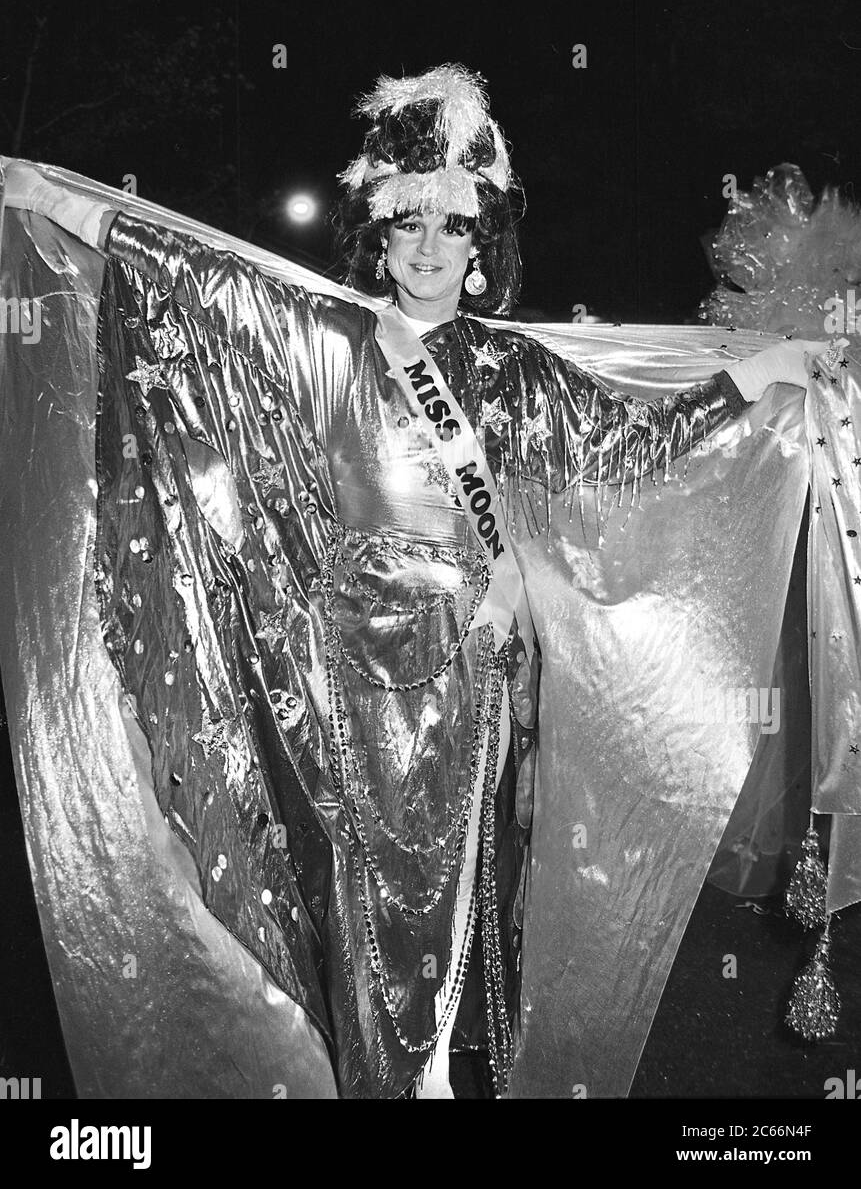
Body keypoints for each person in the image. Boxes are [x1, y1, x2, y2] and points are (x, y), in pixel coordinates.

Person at [97, 64, 838, 1099]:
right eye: (409, 225)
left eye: (452, 227)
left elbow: (619, 443)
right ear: (380, 233)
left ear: (480, 246)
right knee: (357, 898)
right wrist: (87, 220)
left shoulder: (507, 369)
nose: (429, 247)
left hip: (469, 675)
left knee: (449, 897)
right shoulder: (332, 342)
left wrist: (749, 381)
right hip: (346, 677)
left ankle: (426, 1076)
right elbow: (216, 295)